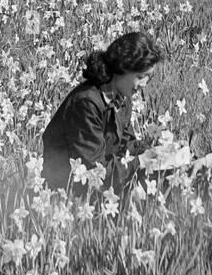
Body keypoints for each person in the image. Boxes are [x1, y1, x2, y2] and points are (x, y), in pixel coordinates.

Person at [40, 32, 163, 193]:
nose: (144, 84)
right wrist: (141, 162)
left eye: (148, 77)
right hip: (66, 193)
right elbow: (95, 172)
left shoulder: (122, 97)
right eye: (140, 77)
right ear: (122, 68)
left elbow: (126, 146)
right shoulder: (86, 104)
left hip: (100, 185)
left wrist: (157, 151)